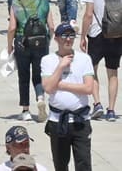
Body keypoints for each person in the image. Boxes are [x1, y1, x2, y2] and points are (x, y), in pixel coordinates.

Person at [40, 23, 95, 171]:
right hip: (58, 121)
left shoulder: (84, 59)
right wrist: (60, 66)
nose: (68, 39)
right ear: (57, 38)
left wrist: (62, 85)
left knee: (84, 164)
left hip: (80, 120)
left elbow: (88, 88)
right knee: (60, 164)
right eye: (64, 35)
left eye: (71, 35)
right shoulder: (47, 60)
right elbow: (48, 88)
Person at [77, 0, 121, 120]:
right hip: (117, 34)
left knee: (92, 69)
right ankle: (111, 110)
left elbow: (88, 14)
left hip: (97, 34)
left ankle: (97, 104)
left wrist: (82, 36)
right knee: (113, 72)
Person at [8, 0, 55, 123]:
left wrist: (9, 45)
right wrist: (48, 40)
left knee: (23, 76)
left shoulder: (16, 4)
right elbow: (52, 26)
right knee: (38, 75)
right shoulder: (44, 3)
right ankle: (40, 98)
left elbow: (12, 28)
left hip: (23, 42)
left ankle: (26, 110)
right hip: (41, 42)